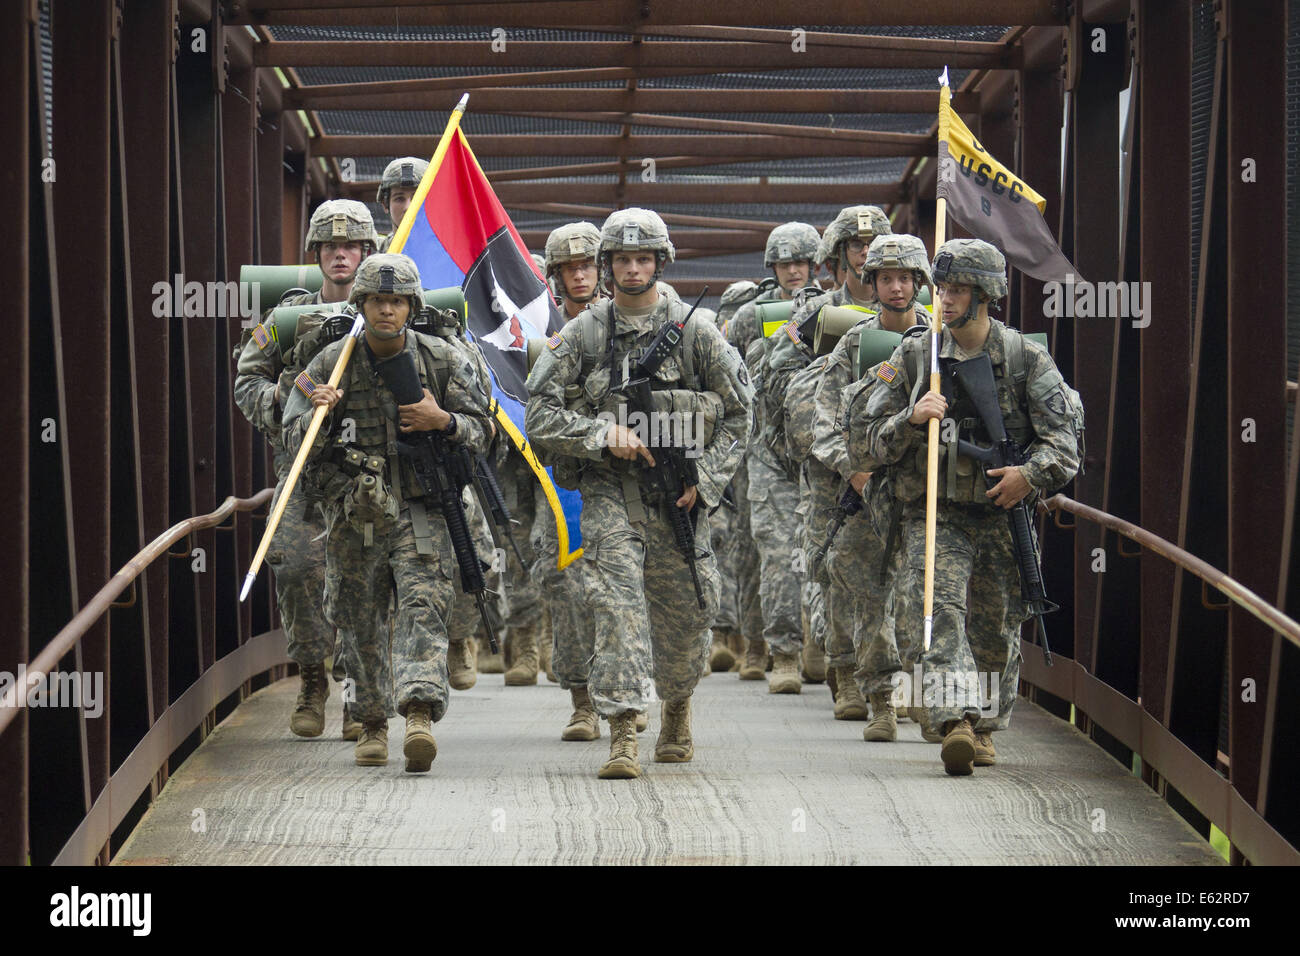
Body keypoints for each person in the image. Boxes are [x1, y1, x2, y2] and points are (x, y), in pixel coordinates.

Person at [525, 208, 751, 778]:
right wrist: (603, 435)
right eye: (621, 259)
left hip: (679, 497)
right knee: (616, 609)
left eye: (642, 258)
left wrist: (708, 480)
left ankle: (676, 706)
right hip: (610, 495)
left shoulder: (695, 332)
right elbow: (540, 414)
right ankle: (623, 730)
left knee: (685, 616)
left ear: (659, 262)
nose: (631, 268)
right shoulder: (584, 334)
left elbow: (740, 413)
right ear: (608, 266)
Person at [847, 238, 1082, 775]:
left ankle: (983, 726)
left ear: (986, 296)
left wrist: (1029, 475)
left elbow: (1065, 443)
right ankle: (954, 720)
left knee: (997, 624)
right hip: (936, 511)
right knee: (936, 609)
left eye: (957, 290)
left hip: (1002, 514)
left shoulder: (1024, 359)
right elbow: (858, 440)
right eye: (942, 288)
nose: (944, 300)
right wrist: (908, 419)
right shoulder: (915, 354)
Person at [282, 253, 495, 773]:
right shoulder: (330, 362)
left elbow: (485, 433)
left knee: (423, 605)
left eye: (396, 301)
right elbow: (292, 440)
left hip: (423, 511)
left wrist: (440, 419)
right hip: (355, 516)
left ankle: (418, 713)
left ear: (410, 306)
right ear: (361, 303)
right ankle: (372, 722)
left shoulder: (442, 360)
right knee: (357, 622)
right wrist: (319, 414)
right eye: (377, 300)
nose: (386, 310)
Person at [234, 198, 378, 741]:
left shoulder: (387, 311)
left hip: (364, 473)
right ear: (316, 253)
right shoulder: (287, 317)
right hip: (300, 468)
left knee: (361, 578)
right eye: (330, 247)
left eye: (351, 247)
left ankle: (358, 692)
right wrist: (288, 401)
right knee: (292, 565)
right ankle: (313, 677)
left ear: (367, 251)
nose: (340, 255)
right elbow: (247, 380)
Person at [809, 233, 931, 738]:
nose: (896, 288)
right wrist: (853, 469)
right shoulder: (854, 344)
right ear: (871, 282)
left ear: (920, 283)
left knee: (922, 597)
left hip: (926, 494)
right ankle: (881, 698)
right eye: (886, 278)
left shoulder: (940, 342)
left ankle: (924, 695)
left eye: (905, 278)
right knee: (868, 594)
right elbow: (825, 419)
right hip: (867, 493)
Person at [375, 157, 429, 252]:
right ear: (385, 204)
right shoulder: (374, 253)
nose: (408, 207)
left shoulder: (450, 254)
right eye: (399, 199)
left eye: (417, 198)